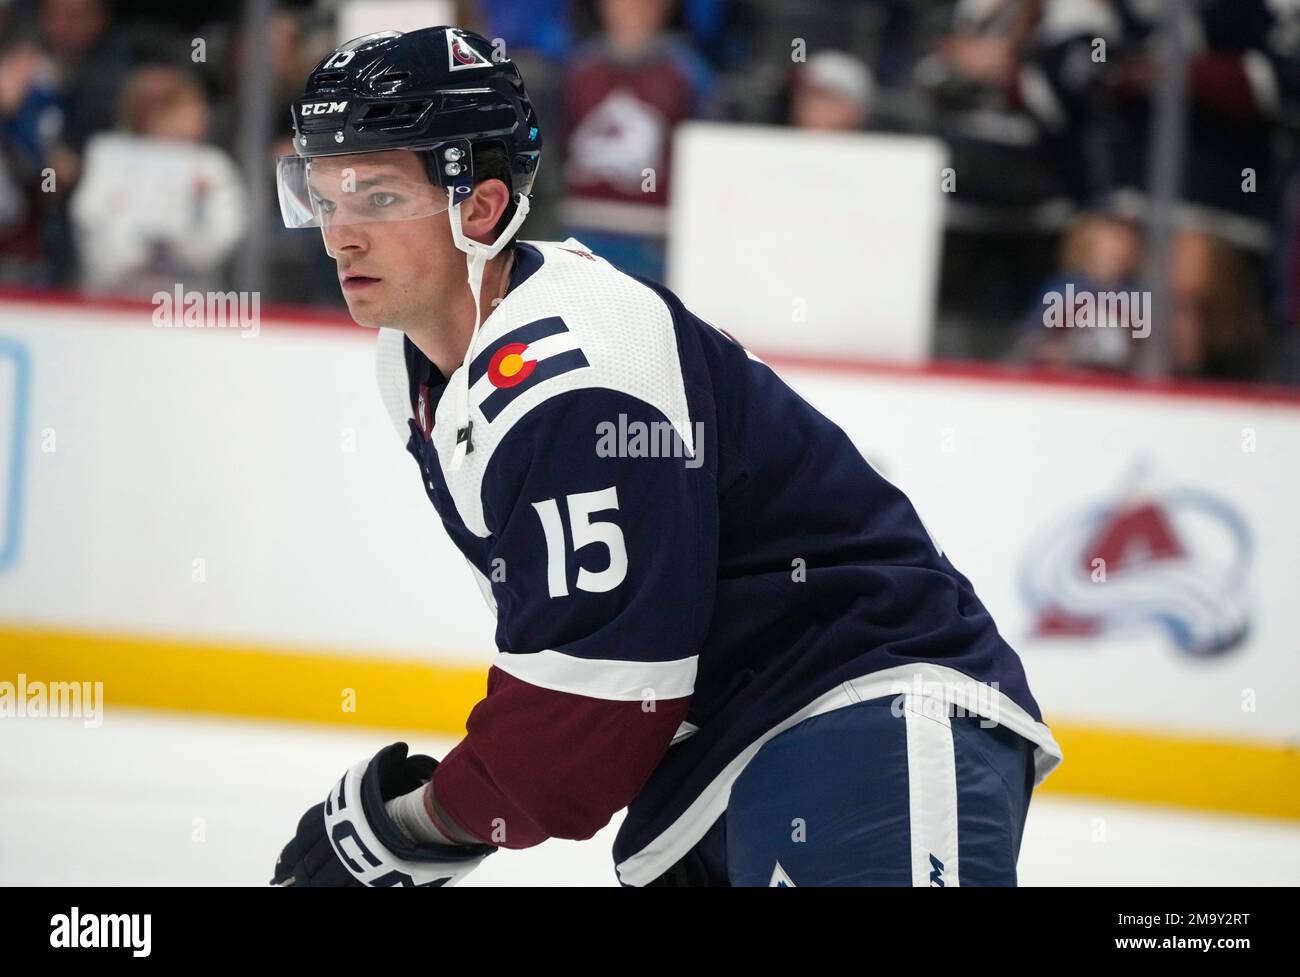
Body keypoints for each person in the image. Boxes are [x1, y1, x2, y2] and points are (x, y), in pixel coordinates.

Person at [270, 26, 1062, 888]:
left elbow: (588, 715)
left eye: (378, 198)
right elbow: (578, 673)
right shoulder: (417, 363)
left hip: (861, 711)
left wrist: (410, 825)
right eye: (324, 196)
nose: (339, 234)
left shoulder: (574, 369)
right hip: (706, 780)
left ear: (481, 206)